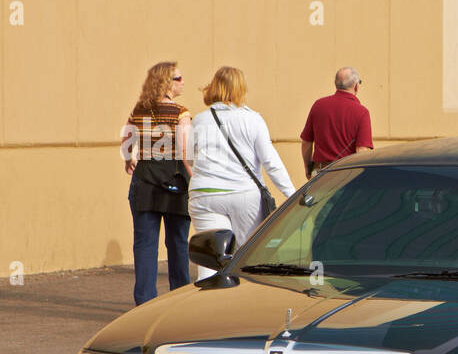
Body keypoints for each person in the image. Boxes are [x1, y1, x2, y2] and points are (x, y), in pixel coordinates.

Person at [189, 67, 297, 278]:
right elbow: (271, 162)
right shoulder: (253, 119)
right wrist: (293, 194)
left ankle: (207, 305)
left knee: (211, 258)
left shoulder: (200, 120)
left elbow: (189, 159)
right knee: (247, 257)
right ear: (241, 88)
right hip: (243, 194)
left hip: (205, 194)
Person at [122, 61, 193, 305]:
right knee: (177, 243)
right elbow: (186, 151)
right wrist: (196, 177)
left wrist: (129, 158)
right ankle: (180, 298)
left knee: (144, 245)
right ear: (166, 83)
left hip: (144, 183)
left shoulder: (139, 110)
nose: (183, 82)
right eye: (178, 78)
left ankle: (144, 302)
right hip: (175, 184)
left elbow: (126, 140)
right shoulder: (181, 113)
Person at [300, 67, 373, 178]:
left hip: (319, 173)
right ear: (356, 86)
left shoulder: (318, 105)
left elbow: (306, 142)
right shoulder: (361, 112)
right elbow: (362, 150)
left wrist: (308, 168)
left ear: (336, 84)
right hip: (346, 176)